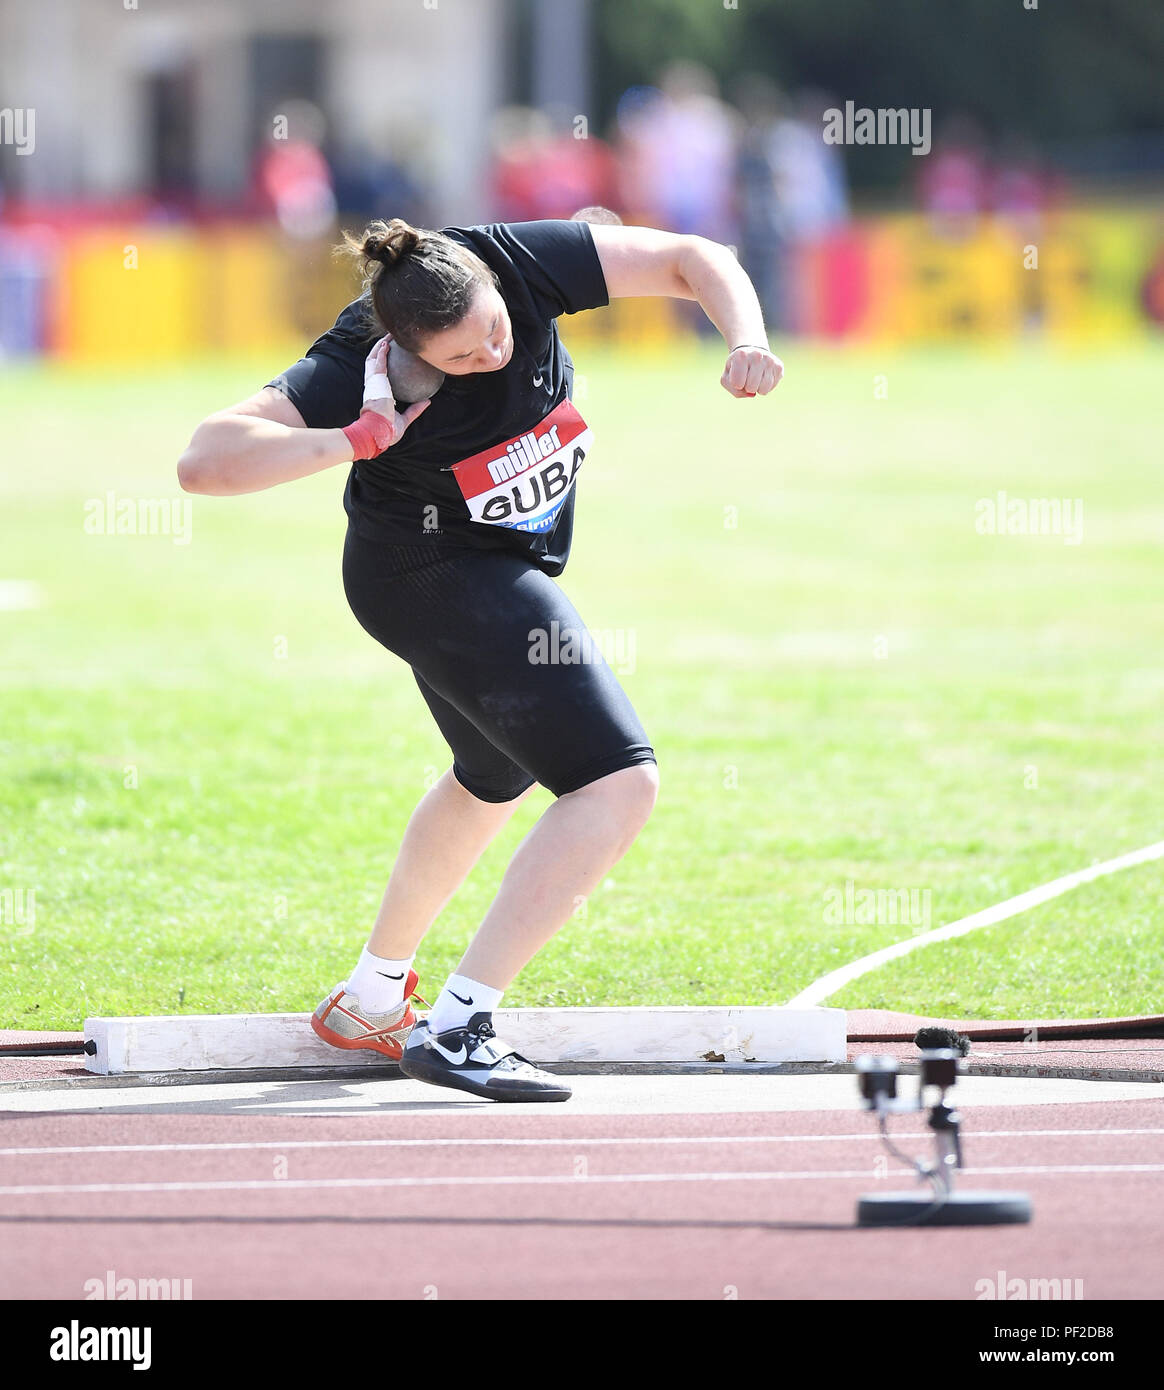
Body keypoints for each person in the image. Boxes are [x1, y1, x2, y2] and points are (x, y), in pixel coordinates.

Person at [177, 215, 783, 1102]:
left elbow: (698, 258)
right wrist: (351, 440)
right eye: (461, 359)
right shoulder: (360, 361)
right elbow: (205, 461)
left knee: (490, 778)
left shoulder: (517, 261)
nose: (493, 356)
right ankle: (461, 1025)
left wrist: (748, 340)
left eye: (496, 330)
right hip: (431, 575)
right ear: (406, 348)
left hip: (490, 566)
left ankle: (374, 997)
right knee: (618, 783)